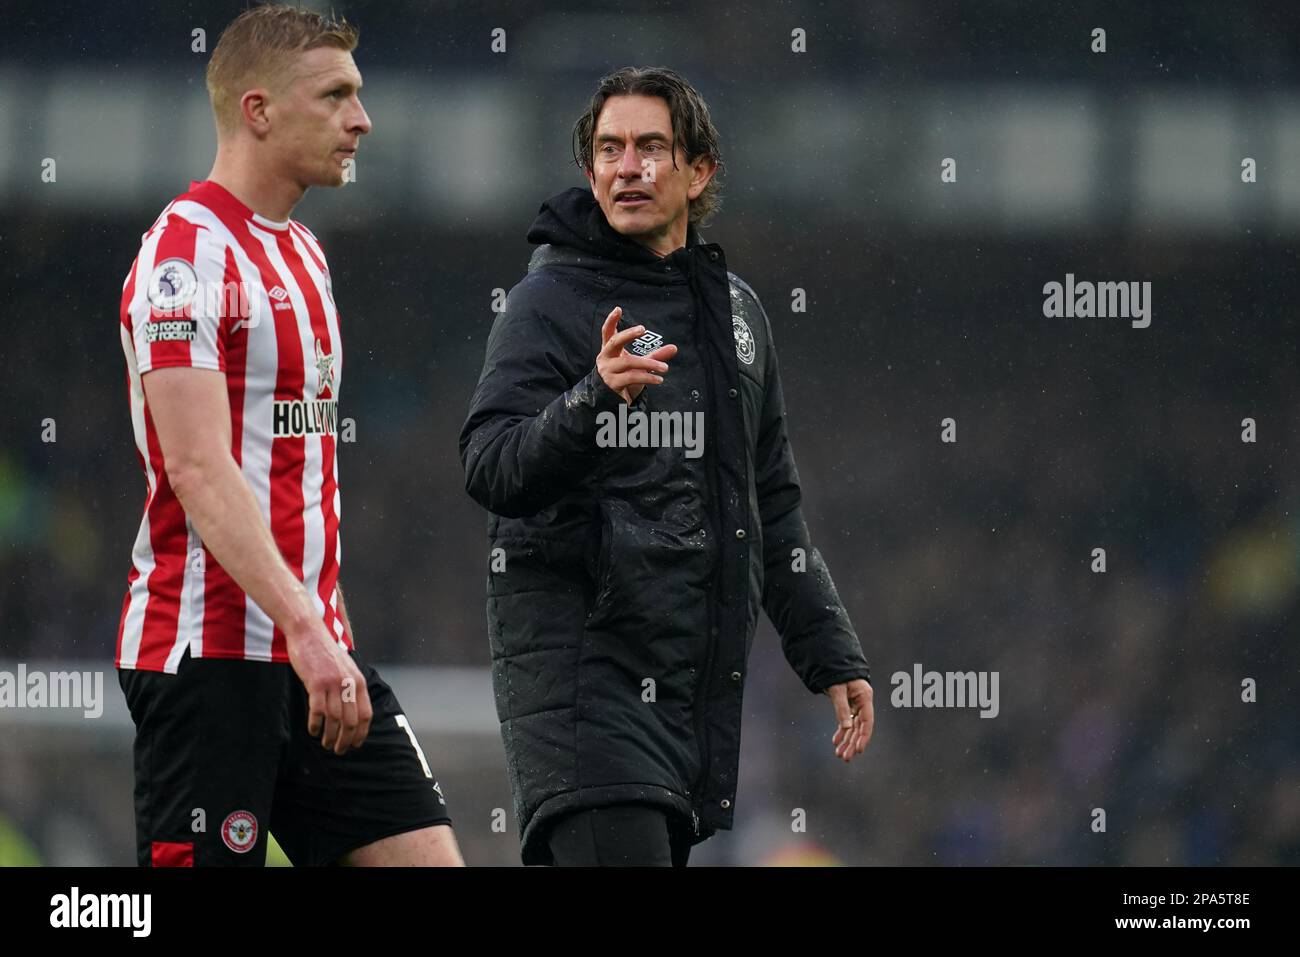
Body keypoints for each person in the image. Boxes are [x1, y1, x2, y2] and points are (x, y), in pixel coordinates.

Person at [459, 66, 874, 867]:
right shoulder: (545, 304)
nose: (628, 166)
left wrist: (830, 652)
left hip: (680, 700)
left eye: (652, 146)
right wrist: (592, 399)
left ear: (699, 170)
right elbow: (489, 464)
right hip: (583, 692)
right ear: (589, 172)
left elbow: (770, 505)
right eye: (609, 149)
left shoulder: (738, 317)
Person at [115, 3, 463, 867]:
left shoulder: (304, 250)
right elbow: (197, 467)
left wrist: (315, 635)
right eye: (336, 94)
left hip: (318, 654)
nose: (362, 118)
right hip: (210, 661)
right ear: (258, 109)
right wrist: (305, 630)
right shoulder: (182, 257)